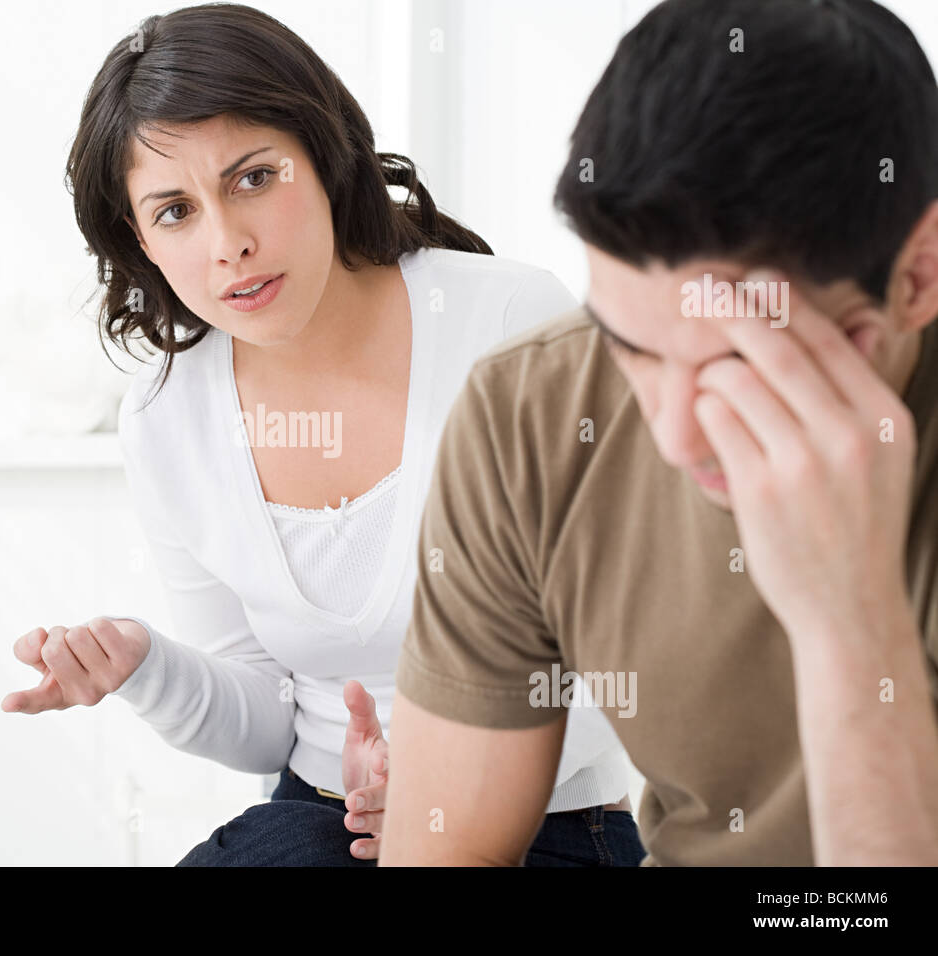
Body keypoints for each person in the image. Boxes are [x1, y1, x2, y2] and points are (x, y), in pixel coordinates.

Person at [1, 2, 642, 866]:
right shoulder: (165, 417)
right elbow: (271, 725)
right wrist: (146, 667)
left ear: (326, 154)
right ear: (140, 242)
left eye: (255, 178)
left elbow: (624, 646)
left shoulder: (508, 321)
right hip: (320, 824)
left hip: (547, 826)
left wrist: (451, 780)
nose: (228, 243)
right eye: (175, 212)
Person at [382, 0, 938, 866]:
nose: (676, 439)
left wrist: (850, 624)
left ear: (919, 274)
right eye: (632, 345)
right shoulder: (528, 413)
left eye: (739, 363)